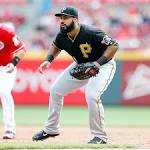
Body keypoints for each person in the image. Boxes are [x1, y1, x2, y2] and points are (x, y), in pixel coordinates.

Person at [32, 6, 119, 144]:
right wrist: (48, 60)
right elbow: (56, 45)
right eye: (61, 18)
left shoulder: (91, 32)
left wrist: (97, 64)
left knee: (92, 96)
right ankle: (51, 129)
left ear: (75, 19)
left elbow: (114, 45)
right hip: (81, 65)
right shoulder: (62, 35)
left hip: (103, 65)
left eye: (65, 17)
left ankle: (100, 136)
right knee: (56, 90)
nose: (62, 21)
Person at [0, 23, 26, 139]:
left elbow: (22, 50)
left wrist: (13, 63)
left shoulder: (6, 32)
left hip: (5, 68)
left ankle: (10, 129)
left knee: (4, 92)